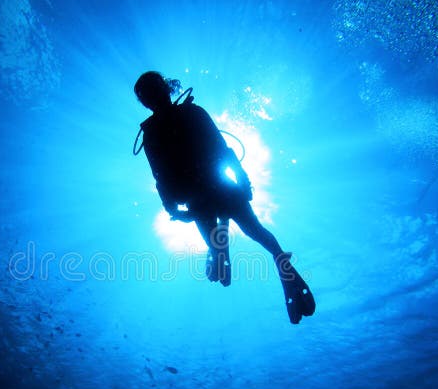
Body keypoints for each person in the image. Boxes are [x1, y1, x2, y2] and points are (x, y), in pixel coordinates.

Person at [133, 71, 315, 324]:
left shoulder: (162, 129)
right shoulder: (180, 119)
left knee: (238, 245)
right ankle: (235, 250)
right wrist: (242, 180)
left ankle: (222, 248)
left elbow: (162, 178)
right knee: (256, 234)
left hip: (201, 198)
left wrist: (173, 210)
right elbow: (221, 151)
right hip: (216, 192)